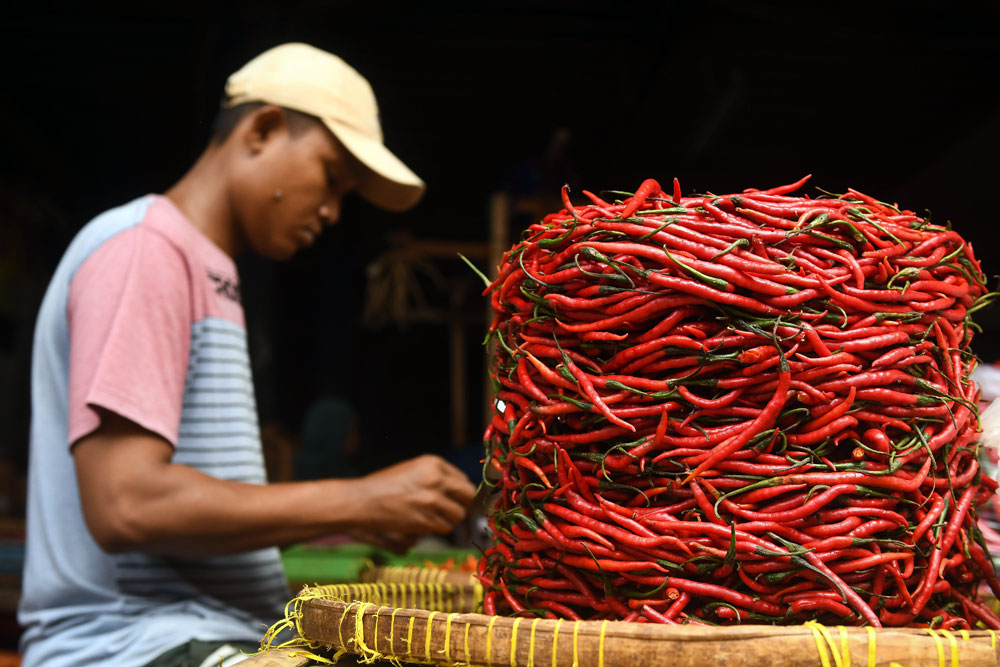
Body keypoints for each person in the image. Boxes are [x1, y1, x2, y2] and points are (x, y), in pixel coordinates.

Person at [18, 42, 478, 667]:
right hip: (126, 643)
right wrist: (360, 500)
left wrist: (362, 518)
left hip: (206, 633)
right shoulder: (144, 250)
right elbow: (125, 503)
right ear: (262, 129)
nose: (332, 211)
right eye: (331, 177)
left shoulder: (211, 274)